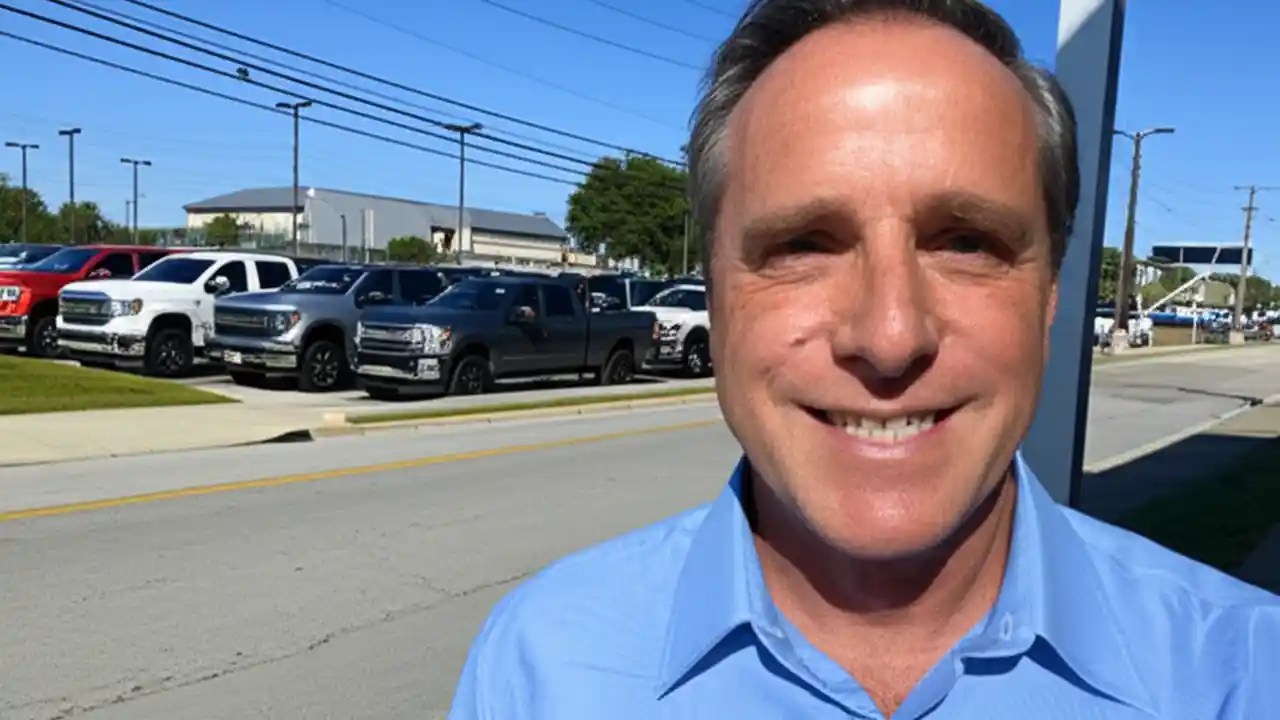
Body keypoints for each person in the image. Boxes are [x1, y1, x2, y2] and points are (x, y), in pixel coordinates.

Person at [448, 1, 1279, 717]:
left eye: (966, 242)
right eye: (805, 243)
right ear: (717, 292)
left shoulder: (1240, 676)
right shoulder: (541, 668)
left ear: (1051, 294)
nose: (889, 336)